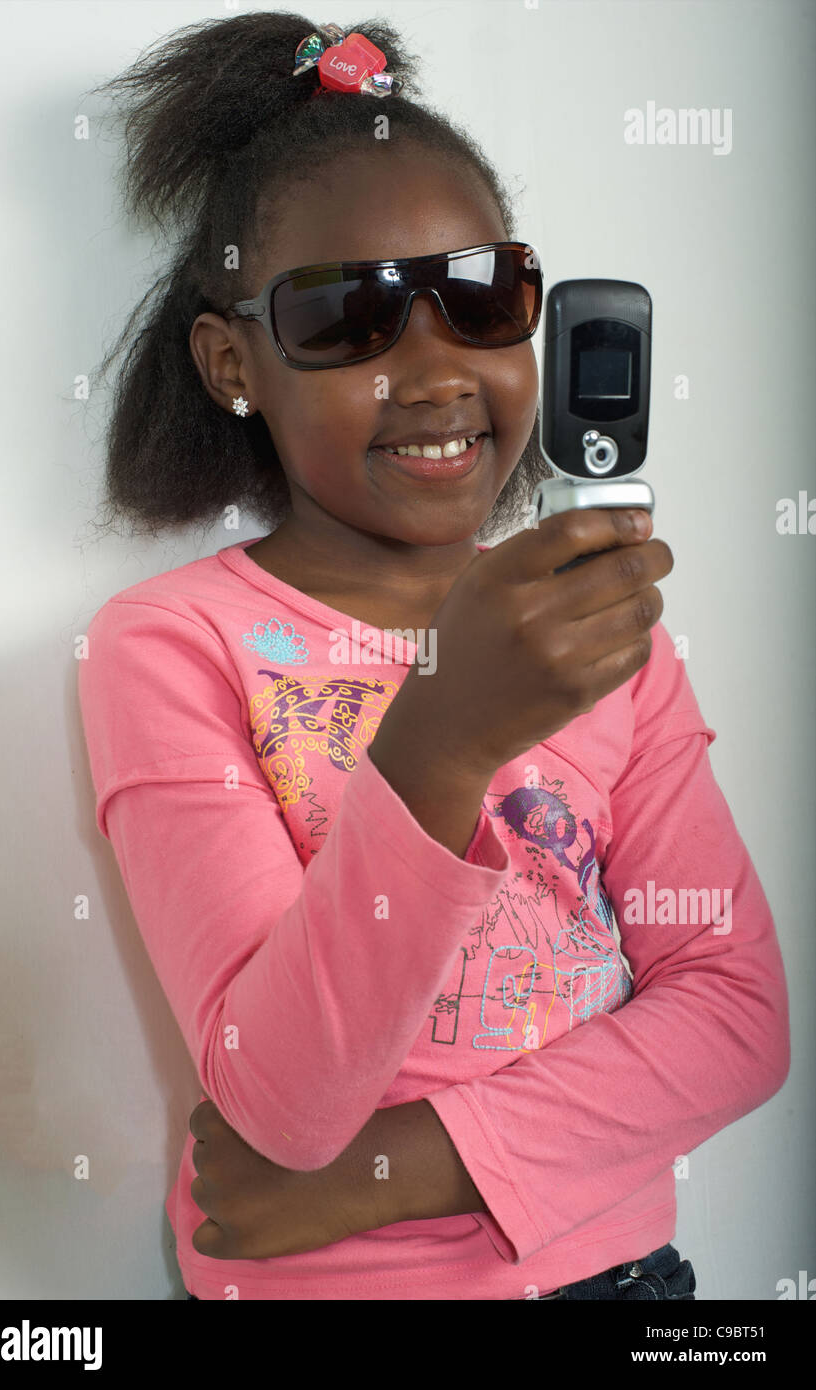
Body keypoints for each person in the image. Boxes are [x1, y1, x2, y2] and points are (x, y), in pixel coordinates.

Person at [78, 11, 789, 1302]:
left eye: (477, 298)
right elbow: (278, 1100)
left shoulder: (602, 625)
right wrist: (443, 734)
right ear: (233, 361)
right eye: (349, 319)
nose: (430, 371)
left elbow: (733, 1014)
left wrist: (394, 1166)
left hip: (616, 1278)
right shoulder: (172, 645)